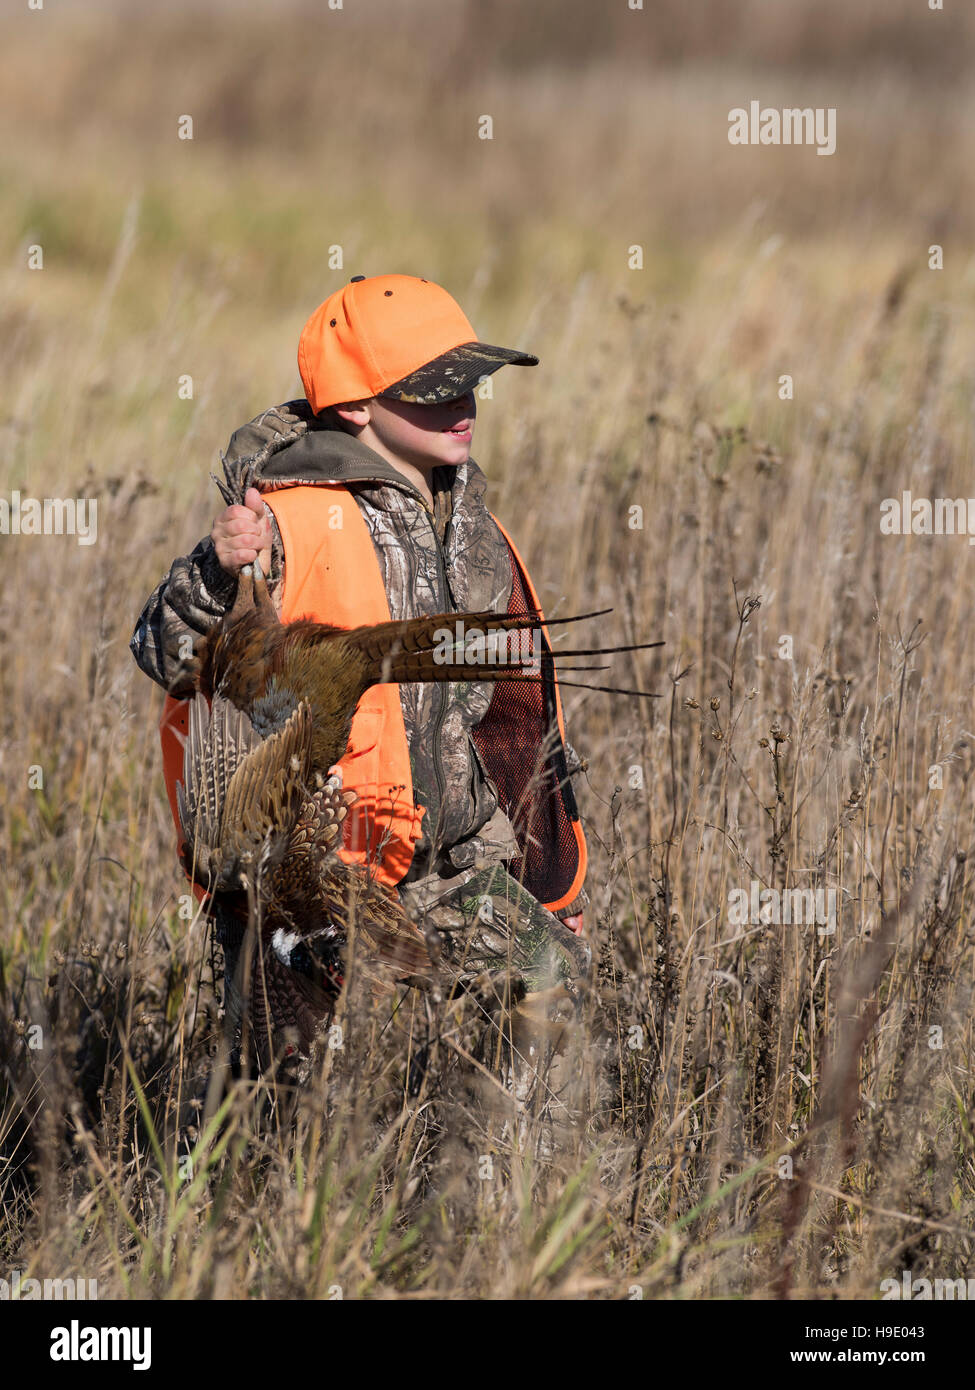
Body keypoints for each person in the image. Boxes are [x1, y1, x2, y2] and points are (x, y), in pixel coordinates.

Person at [131, 273, 591, 1004]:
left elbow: (508, 714)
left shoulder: (475, 535)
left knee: (556, 1003)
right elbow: (166, 654)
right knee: (300, 1101)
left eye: (471, 382)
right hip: (307, 881)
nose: (464, 404)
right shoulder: (282, 522)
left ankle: (482, 1128)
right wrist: (217, 572)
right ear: (353, 405)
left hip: (450, 864)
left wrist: (539, 870)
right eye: (433, 389)